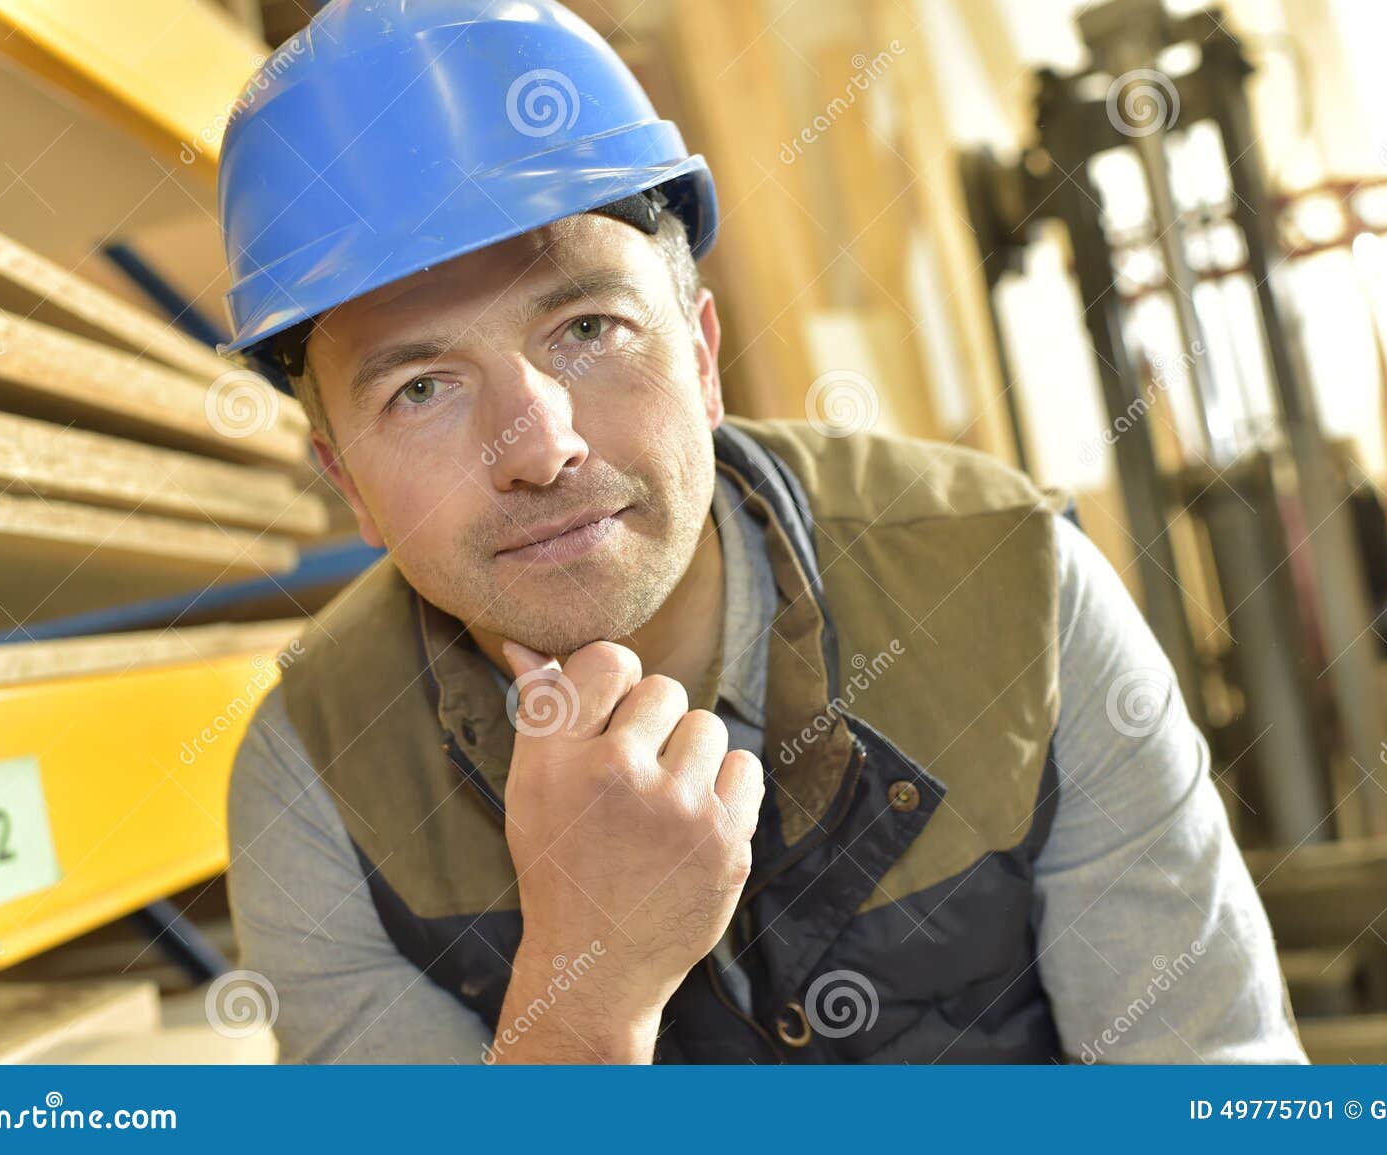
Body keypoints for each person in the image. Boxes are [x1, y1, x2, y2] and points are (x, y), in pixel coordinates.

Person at [216, 0, 1306, 1065]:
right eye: (419, 388)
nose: (537, 446)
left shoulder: (1012, 593)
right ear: (346, 482)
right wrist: (585, 990)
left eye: (587, 328)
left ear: (700, 356)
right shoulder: (316, 782)